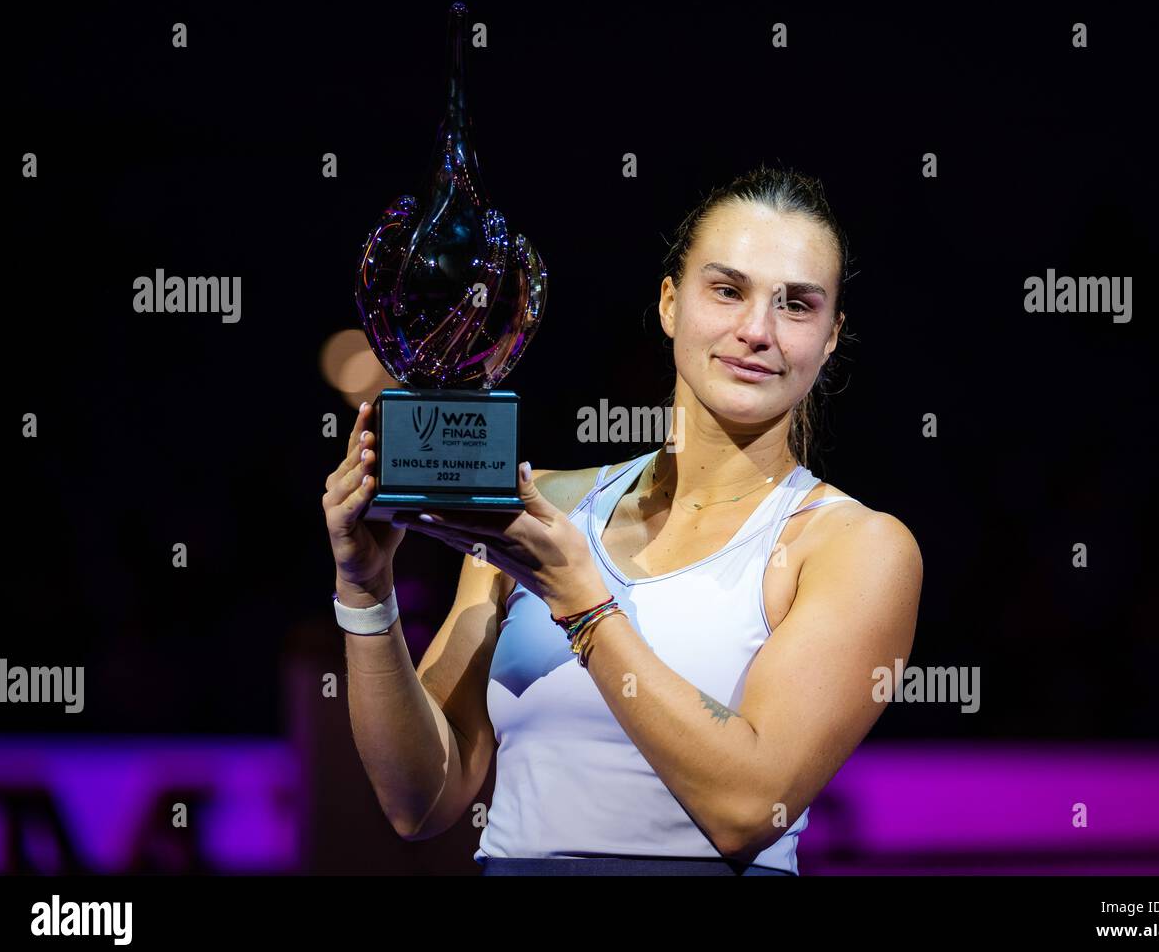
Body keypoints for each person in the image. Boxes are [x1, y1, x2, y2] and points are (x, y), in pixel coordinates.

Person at [322, 165, 923, 876]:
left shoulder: (853, 546)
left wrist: (582, 603)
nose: (756, 330)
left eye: (796, 305)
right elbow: (418, 802)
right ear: (671, 303)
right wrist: (365, 590)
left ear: (829, 338)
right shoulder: (544, 506)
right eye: (727, 291)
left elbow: (747, 812)